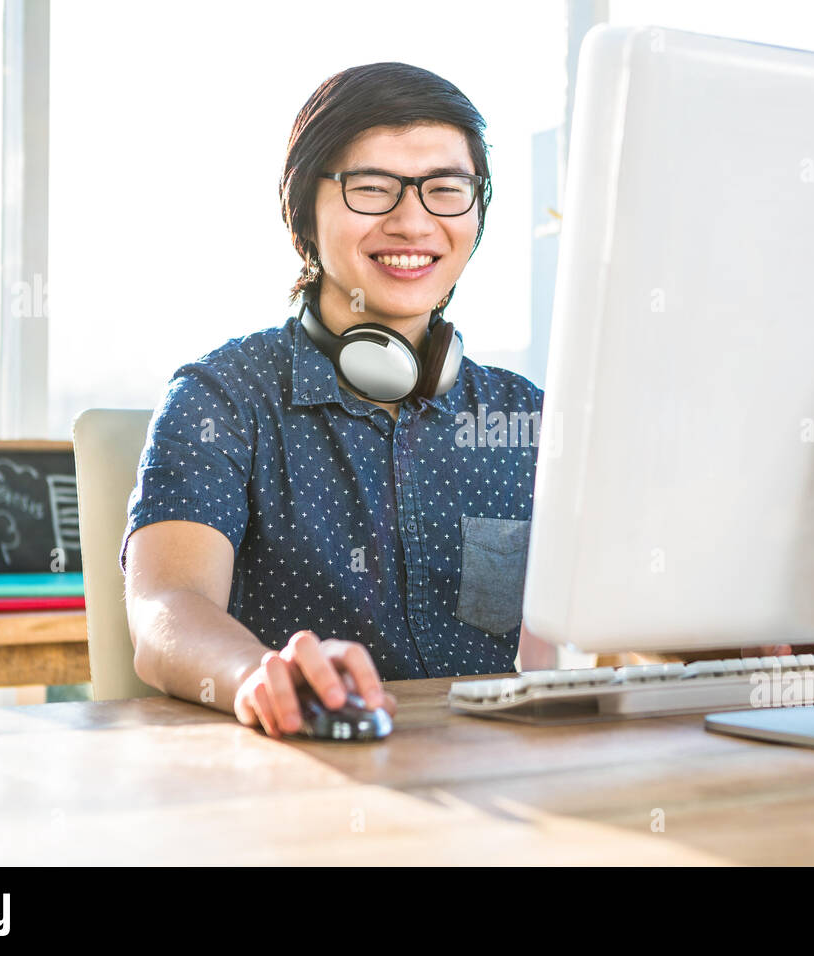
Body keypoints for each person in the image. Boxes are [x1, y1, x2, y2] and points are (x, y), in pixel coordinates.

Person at [121, 62, 550, 739]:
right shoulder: (222, 398)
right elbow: (166, 608)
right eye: (372, 188)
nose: (414, 222)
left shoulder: (530, 420)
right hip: (303, 779)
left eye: (446, 190)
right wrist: (256, 674)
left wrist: (716, 638)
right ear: (304, 213)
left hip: (502, 787)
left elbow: (613, 613)